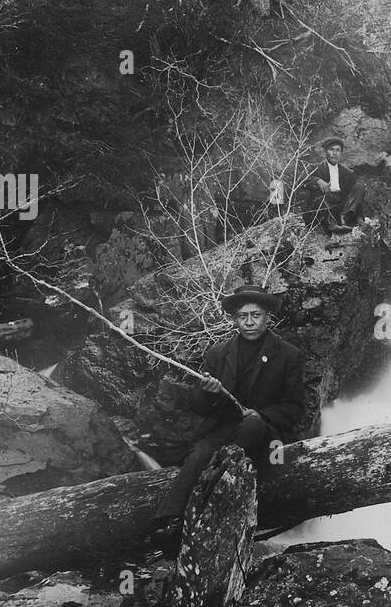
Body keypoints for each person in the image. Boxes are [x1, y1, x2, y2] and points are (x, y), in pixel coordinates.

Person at [153, 284, 306, 531]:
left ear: (268, 316)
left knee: (253, 425)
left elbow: (295, 408)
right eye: (242, 316)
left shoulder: (289, 355)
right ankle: (170, 520)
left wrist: (262, 414)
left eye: (255, 315)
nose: (249, 322)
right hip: (225, 430)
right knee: (199, 453)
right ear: (235, 319)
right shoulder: (219, 353)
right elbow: (199, 407)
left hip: (267, 434)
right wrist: (208, 391)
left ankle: (210, 500)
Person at [306, 136, 363, 232]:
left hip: (341, 205)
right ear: (325, 152)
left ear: (341, 153)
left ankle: (344, 218)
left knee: (359, 186)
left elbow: (356, 196)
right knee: (317, 193)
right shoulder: (315, 168)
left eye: (338, 150)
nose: (335, 153)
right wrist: (317, 180)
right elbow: (303, 181)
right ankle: (331, 224)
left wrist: (360, 217)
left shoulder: (347, 172)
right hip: (323, 204)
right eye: (331, 150)